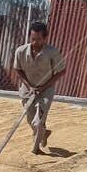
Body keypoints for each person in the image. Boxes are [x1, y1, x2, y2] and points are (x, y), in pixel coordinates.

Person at [12, 22, 66, 154]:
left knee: (39, 120)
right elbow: (18, 69)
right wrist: (29, 86)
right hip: (27, 89)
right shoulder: (21, 51)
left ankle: (36, 149)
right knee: (31, 119)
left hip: (46, 90)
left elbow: (61, 71)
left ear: (45, 38)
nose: (35, 42)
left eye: (39, 39)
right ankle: (44, 133)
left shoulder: (52, 52)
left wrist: (43, 87)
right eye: (33, 39)